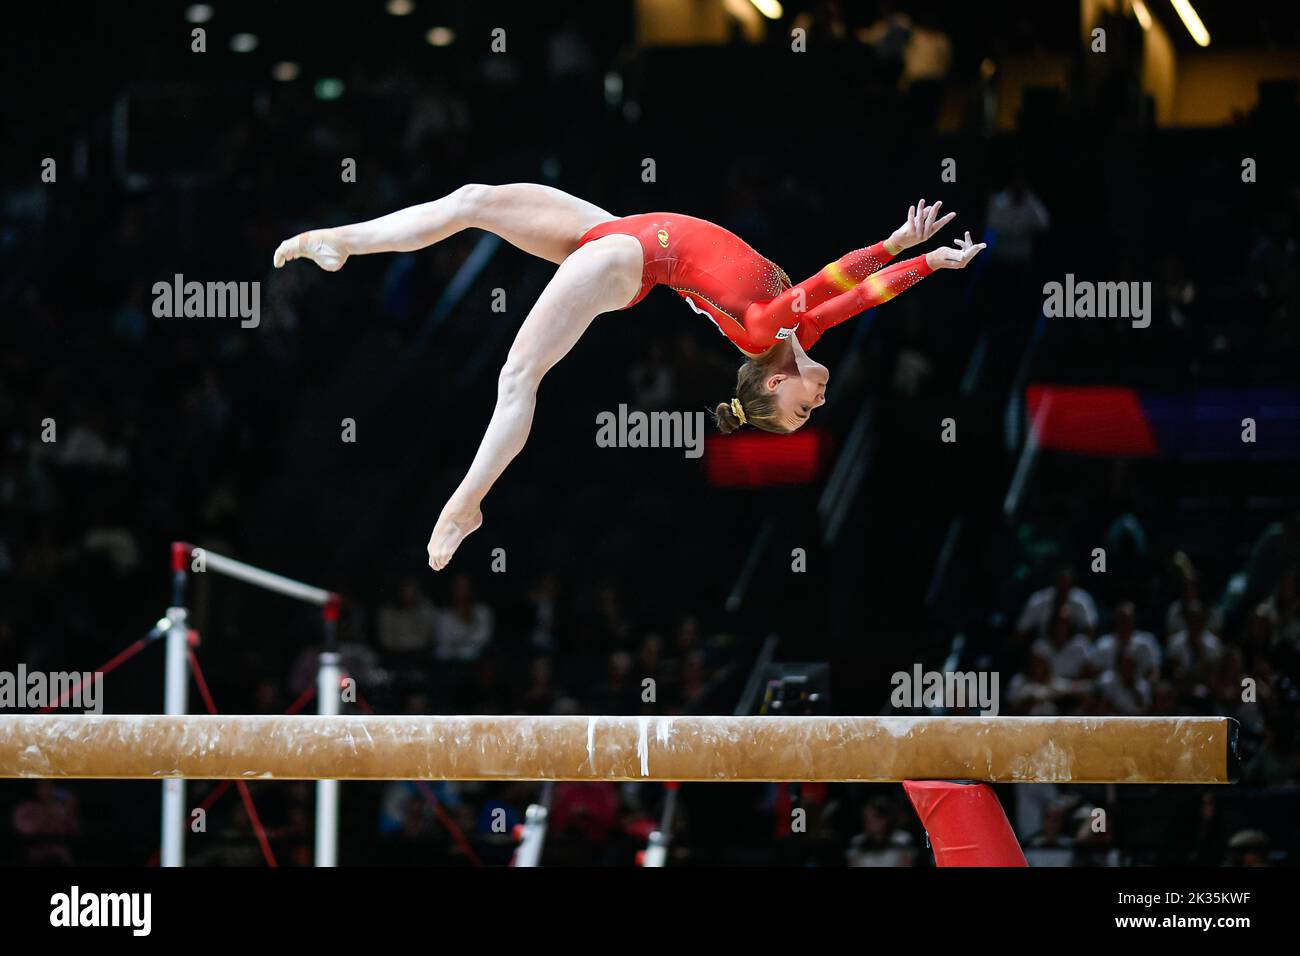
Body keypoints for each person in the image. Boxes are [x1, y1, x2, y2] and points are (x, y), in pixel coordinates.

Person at [274, 184, 983, 569]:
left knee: (519, 374)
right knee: (470, 202)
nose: (817, 402)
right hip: (621, 227)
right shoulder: (808, 333)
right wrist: (931, 263)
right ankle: (342, 243)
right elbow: (863, 294)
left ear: (772, 384)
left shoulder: (766, 331)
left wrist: (893, 242)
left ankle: (465, 504)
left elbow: (831, 276)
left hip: (628, 261)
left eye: (801, 412)